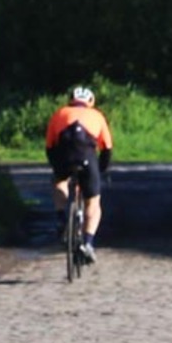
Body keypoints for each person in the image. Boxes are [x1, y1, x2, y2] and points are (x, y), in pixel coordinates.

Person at [44, 85, 113, 260]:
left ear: (71, 100)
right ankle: (88, 243)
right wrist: (100, 170)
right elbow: (107, 149)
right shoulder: (97, 115)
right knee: (93, 204)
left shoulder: (59, 113)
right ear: (90, 102)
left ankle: (61, 217)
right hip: (88, 159)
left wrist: (57, 169)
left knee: (58, 182)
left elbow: (50, 147)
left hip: (64, 157)